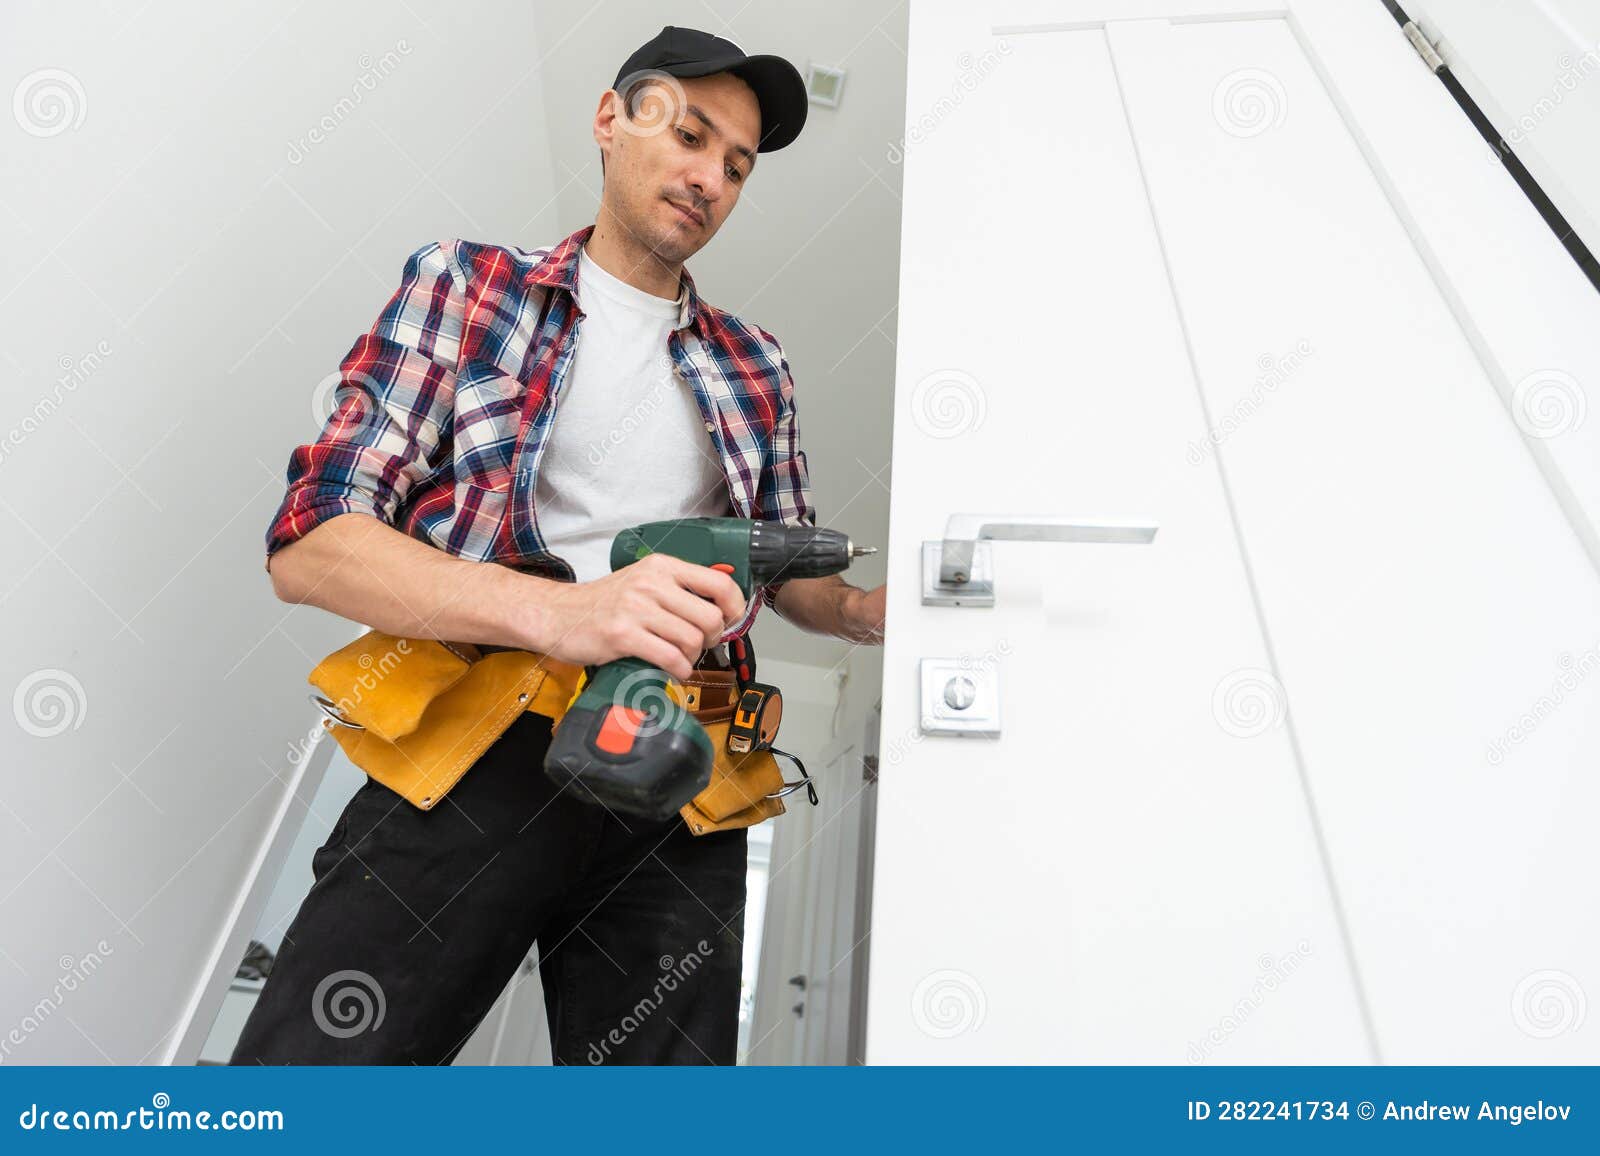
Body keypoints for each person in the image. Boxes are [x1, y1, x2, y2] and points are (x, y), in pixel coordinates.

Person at [229, 25, 885, 1067]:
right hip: (476, 739)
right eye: (691, 133)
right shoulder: (466, 285)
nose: (710, 176)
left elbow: (788, 569)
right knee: (318, 1078)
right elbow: (311, 542)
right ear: (610, 118)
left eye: (737, 164)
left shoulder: (760, 364)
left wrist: (861, 611)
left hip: (684, 768)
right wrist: (565, 610)